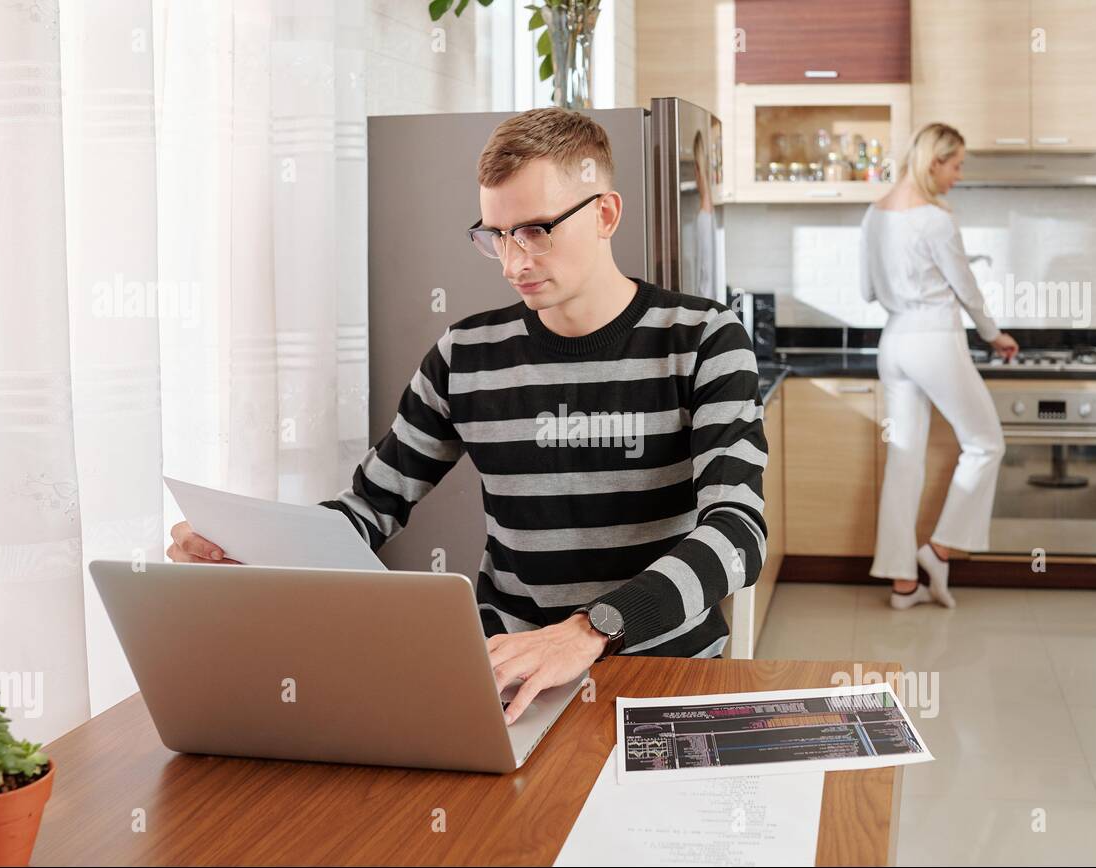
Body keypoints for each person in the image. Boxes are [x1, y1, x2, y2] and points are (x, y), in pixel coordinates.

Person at [169, 107, 768, 723]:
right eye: (496, 236)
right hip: (503, 678)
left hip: (660, 673)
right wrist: (249, 550)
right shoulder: (465, 355)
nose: (513, 264)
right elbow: (369, 508)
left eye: (536, 230)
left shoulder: (703, 339)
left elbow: (739, 534)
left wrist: (591, 630)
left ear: (605, 214)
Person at [860, 122, 1018, 610]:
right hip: (933, 338)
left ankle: (901, 581)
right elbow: (966, 287)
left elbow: (867, 291)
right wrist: (994, 335)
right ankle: (940, 548)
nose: (958, 175)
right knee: (987, 442)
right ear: (934, 163)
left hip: (894, 342)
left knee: (904, 458)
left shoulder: (875, 214)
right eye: (956, 165)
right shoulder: (934, 219)